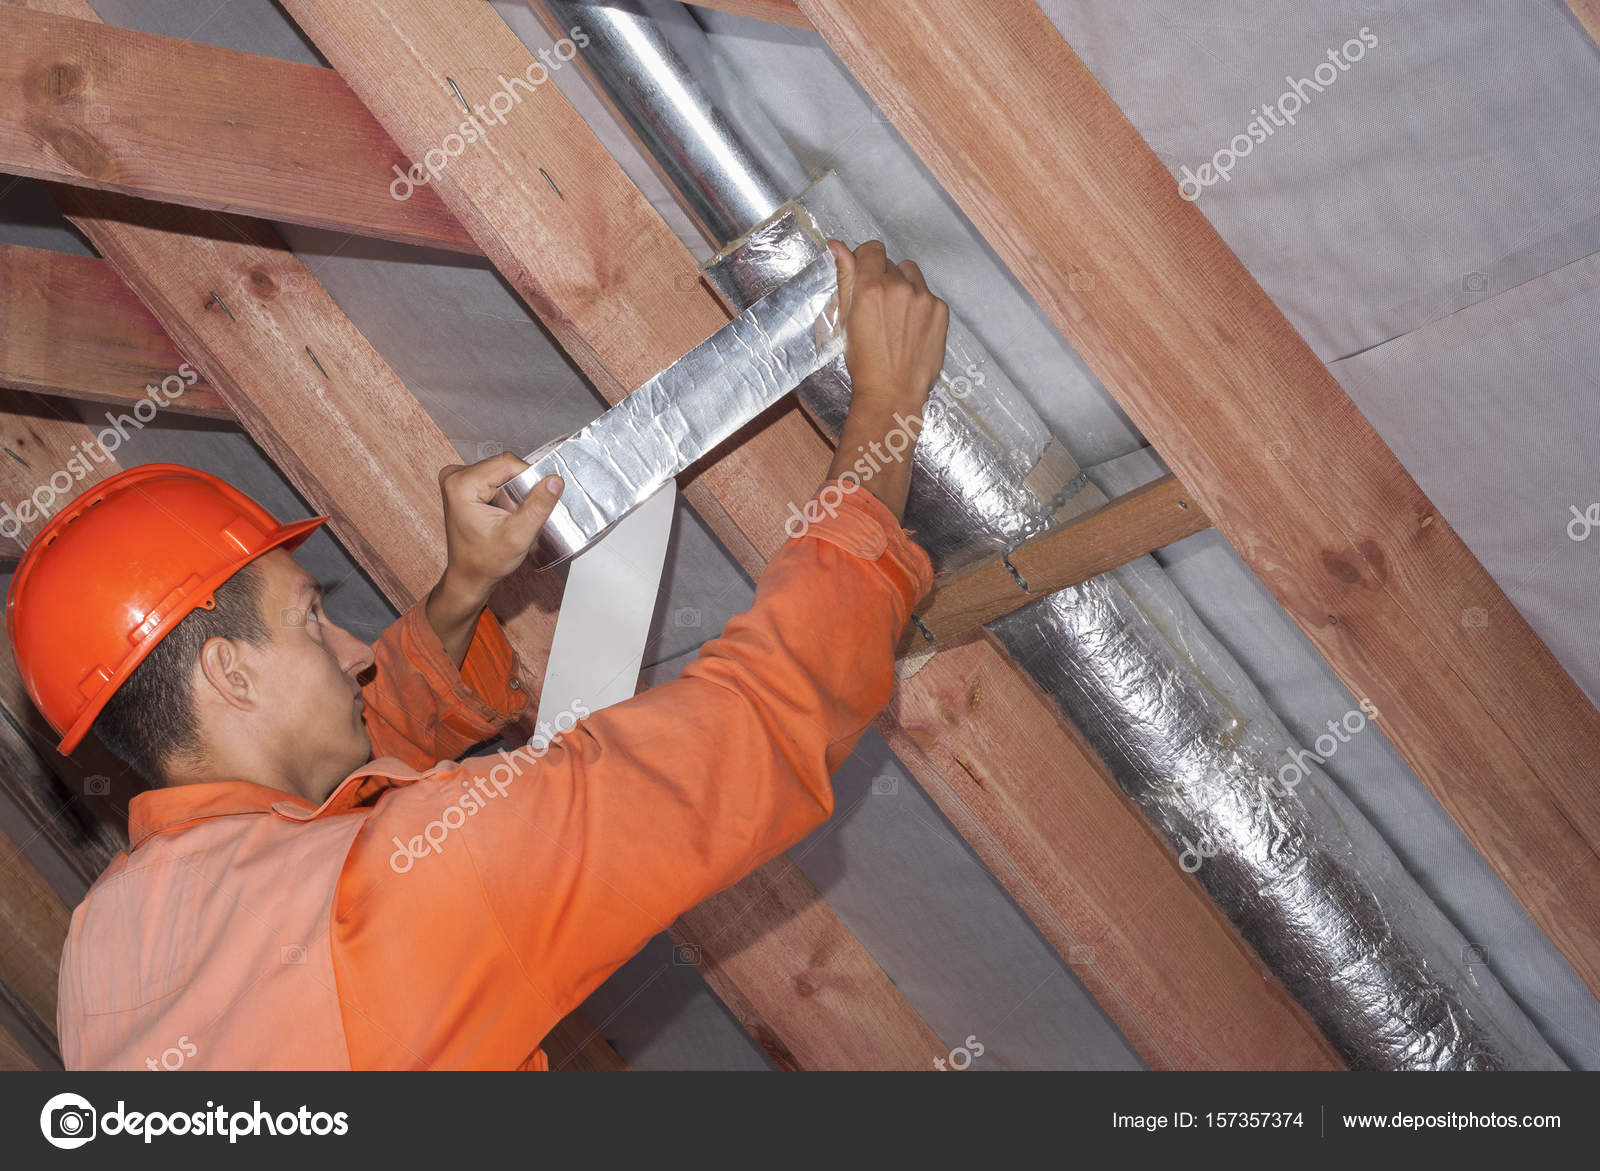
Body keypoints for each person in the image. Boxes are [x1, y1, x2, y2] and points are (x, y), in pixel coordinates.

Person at [8, 239, 948, 1069]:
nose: (350, 649)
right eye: (309, 618)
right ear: (228, 673)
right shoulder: (424, 888)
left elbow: (327, 808)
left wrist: (464, 593)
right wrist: (887, 414)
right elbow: (749, 736)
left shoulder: (107, 951)